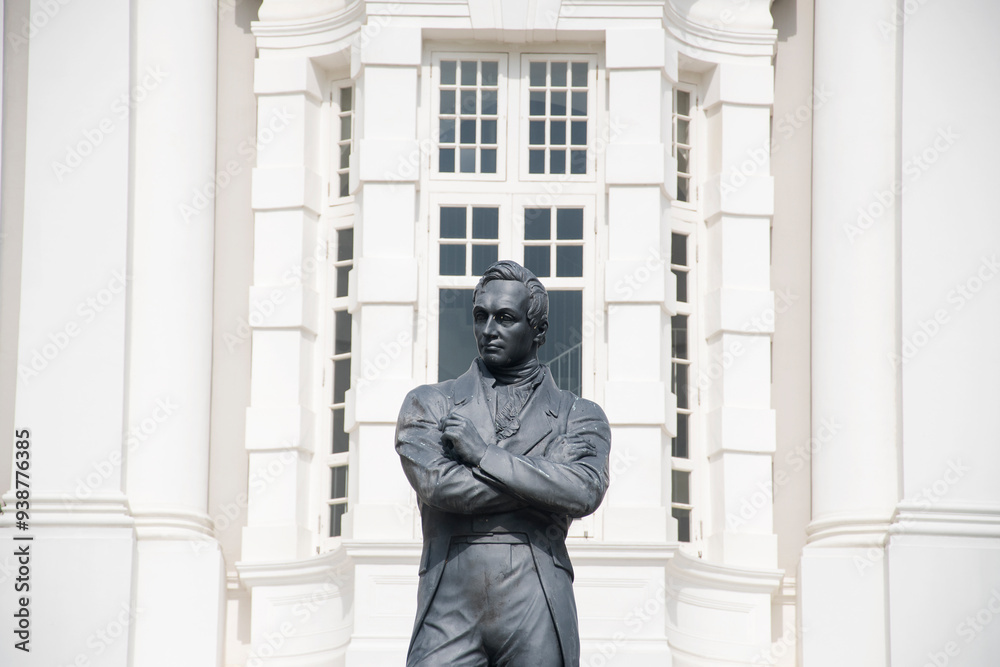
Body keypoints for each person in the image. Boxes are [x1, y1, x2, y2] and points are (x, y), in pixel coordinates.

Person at [395, 260, 612, 667]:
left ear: (539, 331)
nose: (488, 330)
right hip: (449, 596)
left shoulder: (578, 414)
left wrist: (482, 456)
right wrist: (544, 481)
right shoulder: (429, 403)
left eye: (506, 318)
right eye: (481, 317)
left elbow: (582, 491)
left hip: (538, 595)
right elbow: (440, 487)